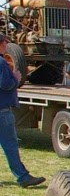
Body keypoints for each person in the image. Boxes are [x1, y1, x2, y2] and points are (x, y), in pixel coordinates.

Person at [0, 34, 45, 187]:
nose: (6, 44)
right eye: (4, 42)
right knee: (10, 145)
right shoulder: (1, 62)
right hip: (2, 111)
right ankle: (23, 177)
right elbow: (5, 84)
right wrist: (16, 78)